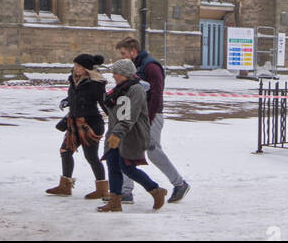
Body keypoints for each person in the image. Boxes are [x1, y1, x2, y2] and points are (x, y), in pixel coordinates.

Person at [115, 36, 189, 203]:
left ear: (133, 51)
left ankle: (180, 184)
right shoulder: (136, 67)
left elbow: (156, 94)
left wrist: (148, 118)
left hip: (151, 116)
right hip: (137, 115)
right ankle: (126, 191)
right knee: (125, 148)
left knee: (153, 151)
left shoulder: (151, 66)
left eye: (123, 53)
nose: (121, 57)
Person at [98, 58, 165, 213]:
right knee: (113, 165)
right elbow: (115, 112)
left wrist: (117, 133)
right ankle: (115, 202)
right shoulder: (119, 89)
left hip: (130, 135)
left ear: (125, 74)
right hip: (116, 133)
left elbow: (129, 116)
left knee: (127, 167)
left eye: (116, 73)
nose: (113, 76)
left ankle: (156, 190)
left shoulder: (135, 90)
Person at [45, 52, 109, 199]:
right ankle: (65, 186)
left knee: (91, 156)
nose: (75, 68)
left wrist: (116, 118)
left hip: (90, 124)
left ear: (86, 68)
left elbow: (103, 103)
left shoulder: (96, 83)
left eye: (79, 66)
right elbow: (77, 95)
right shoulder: (74, 80)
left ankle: (102, 188)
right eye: (75, 65)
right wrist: (68, 100)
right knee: (65, 151)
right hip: (74, 123)